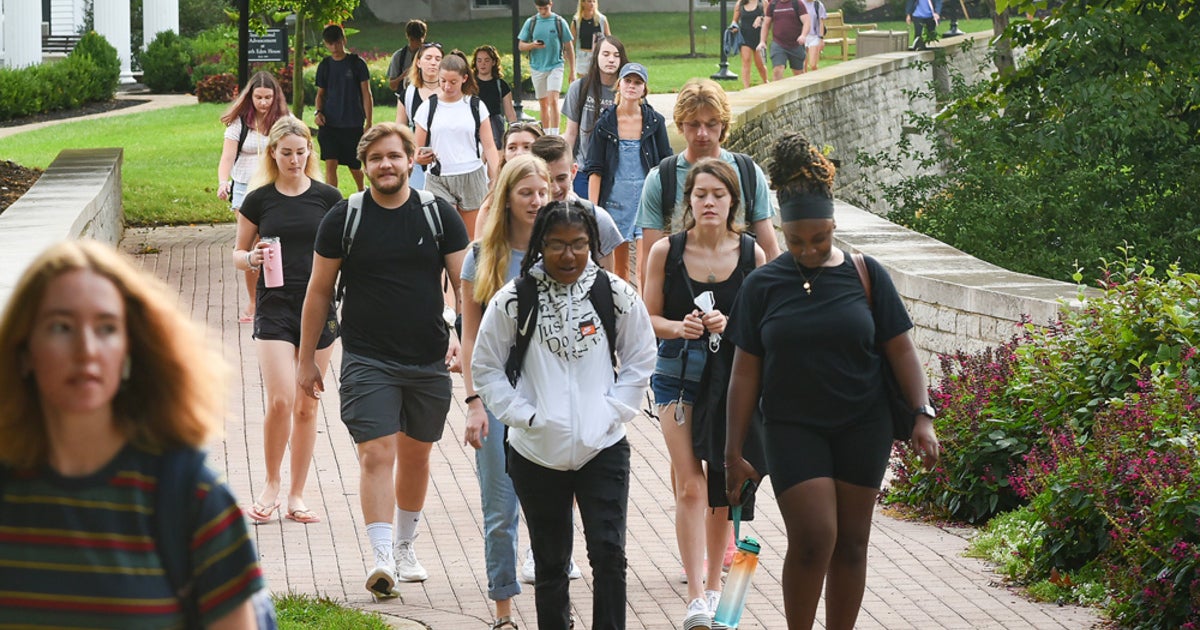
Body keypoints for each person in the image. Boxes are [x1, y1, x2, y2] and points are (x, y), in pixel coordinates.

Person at [723, 133, 941, 630]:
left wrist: (922, 415)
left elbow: (901, 349)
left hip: (863, 423)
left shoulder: (867, 274)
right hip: (791, 426)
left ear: (834, 227)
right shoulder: (762, 285)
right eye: (796, 241)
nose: (808, 249)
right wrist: (733, 453)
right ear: (782, 229)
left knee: (852, 543)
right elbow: (744, 372)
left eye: (819, 239)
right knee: (815, 536)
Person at [0, 239, 267, 627]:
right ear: (24, 351)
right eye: (61, 327)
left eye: (106, 328)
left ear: (129, 350)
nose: (86, 350)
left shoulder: (190, 497)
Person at [298, 123, 469, 597]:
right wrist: (307, 359)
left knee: (416, 455)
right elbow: (318, 291)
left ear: (411, 160)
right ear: (365, 166)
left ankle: (405, 546)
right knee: (376, 452)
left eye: (394, 156)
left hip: (428, 357)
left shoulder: (438, 214)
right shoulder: (344, 217)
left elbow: (465, 286)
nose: (386, 165)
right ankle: (381, 559)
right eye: (375, 158)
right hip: (366, 357)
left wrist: (462, 339)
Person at [471, 200, 656, 630]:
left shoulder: (614, 293)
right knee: (550, 563)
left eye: (579, 244)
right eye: (557, 245)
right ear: (540, 244)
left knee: (609, 554)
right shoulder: (515, 298)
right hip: (536, 452)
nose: (569, 255)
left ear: (592, 244)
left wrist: (613, 411)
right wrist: (524, 416)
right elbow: (486, 366)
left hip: (603, 447)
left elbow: (641, 355)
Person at [642, 158, 766, 629]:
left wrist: (729, 324)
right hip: (677, 375)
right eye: (700, 195)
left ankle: (716, 589)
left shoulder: (752, 254)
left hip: (732, 380)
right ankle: (695, 596)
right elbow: (647, 317)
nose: (709, 202)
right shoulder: (666, 252)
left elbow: (765, 327)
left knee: (721, 487)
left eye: (718, 194)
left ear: (733, 201)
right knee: (690, 485)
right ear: (688, 201)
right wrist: (680, 326)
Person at [233, 117, 342, 525]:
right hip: (275, 304)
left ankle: (297, 494)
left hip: (319, 307)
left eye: (300, 152)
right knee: (281, 400)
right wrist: (252, 258)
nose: (294, 160)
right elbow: (237, 253)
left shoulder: (329, 198)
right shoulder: (259, 199)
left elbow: (345, 251)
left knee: (307, 405)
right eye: (286, 153)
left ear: (309, 151)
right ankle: (271, 483)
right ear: (273, 154)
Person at [459, 154, 551, 629]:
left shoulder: (560, 250)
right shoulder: (481, 257)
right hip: (496, 395)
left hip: (549, 395)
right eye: (526, 193)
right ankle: (503, 612)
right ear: (507, 198)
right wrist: (473, 401)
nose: (536, 201)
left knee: (550, 506)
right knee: (500, 507)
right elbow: (470, 339)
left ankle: (554, 607)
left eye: (543, 193)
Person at [635, 78, 781, 289]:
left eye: (711, 124)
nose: (702, 133)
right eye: (694, 124)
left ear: (723, 124)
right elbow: (649, 260)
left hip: (740, 294)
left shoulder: (748, 173)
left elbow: (769, 250)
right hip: (680, 297)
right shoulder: (661, 179)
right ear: (680, 124)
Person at [584, 62, 672, 282]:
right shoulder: (604, 124)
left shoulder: (655, 122)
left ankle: (644, 304)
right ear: (619, 85)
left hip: (647, 200)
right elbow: (595, 169)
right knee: (619, 269)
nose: (632, 86)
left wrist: (668, 202)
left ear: (645, 89)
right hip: (614, 201)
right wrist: (593, 211)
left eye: (638, 82)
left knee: (645, 267)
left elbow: (666, 164)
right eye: (628, 81)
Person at [216, 70, 290, 324]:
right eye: (258, 97)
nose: (263, 102)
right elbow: (227, 157)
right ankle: (253, 301)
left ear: (275, 97)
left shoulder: (283, 120)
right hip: (244, 188)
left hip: (273, 187)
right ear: (250, 97)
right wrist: (223, 182)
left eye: (268, 97)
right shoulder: (240, 123)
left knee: (271, 242)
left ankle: (277, 298)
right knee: (251, 245)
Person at [413, 51, 500, 241]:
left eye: (453, 82)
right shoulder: (428, 107)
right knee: (445, 237)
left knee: (474, 239)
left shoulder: (476, 105)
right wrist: (419, 158)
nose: (447, 86)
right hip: (438, 177)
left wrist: (498, 177)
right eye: (443, 81)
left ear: (464, 79)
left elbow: (489, 146)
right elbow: (415, 149)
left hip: (472, 175)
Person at [563, 35, 627, 199]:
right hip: (584, 170)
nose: (611, 60)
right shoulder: (579, 88)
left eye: (616, 55)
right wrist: (565, 168)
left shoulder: (628, 90)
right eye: (606, 54)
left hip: (618, 173)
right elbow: (571, 132)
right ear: (596, 56)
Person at [315, 23, 373, 191]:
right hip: (329, 124)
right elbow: (320, 94)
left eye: (337, 43)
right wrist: (318, 112)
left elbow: (366, 94)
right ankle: (332, 200)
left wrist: (369, 122)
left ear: (344, 40)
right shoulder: (325, 65)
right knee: (330, 163)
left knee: (354, 165)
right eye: (330, 44)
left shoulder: (357, 64)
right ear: (325, 44)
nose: (334, 47)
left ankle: (361, 190)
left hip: (352, 123)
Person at [519, 0, 575, 135]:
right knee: (543, 103)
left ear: (551, 4)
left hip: (556, 65)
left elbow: (569, 47)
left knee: (553, 101)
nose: (543, 11)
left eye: (545, 8)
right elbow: (521, 46)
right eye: (540, 9)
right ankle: (545, 134)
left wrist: (572, 71)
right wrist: (532, 45)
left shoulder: (559, 22)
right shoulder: (531, 22)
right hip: (537, 67)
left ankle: (554, 135)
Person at [396, 41, 444, 191]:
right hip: (416, 160)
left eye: (438, 59)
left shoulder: (450, 93)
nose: (433, 63)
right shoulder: (408, 95)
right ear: (418, 62)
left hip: (446, 159)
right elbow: (400, 130)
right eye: (428, 58)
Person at [472, 45, 519, 151]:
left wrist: (515, 131)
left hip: (495, 126)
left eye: (487, 60)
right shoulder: (469, 84)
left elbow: (510, 112)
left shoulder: (501, 85)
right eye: (479, 60)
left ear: (493, 62)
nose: (482, 64)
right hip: (473, 124)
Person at [758, 0, 812, 80]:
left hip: (796, 44)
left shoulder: (797, 3)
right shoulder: (773, 4)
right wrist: (762, 41)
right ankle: (777, 88)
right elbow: (766, 24)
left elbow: (807, 22)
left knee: (798, 73)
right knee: (778, 69)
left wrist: (803, 35)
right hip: (778, 43)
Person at [731, 0, 770, 88]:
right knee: (746, 61)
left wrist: (761, 18)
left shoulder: (763, 2)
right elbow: (734, 21)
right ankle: (746, 87)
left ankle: (765, 81)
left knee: (760, 64)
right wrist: (733, 27)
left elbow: (769, 19)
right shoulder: (740, 3)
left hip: (759, 38)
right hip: (744, 37)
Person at [570, 0, 612, 79]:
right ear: (583, 3)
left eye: (594, 1)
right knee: (584, 82)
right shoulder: (577, 21)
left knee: (598, 80)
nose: (592, 4)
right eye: (589, 1)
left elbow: (609, 38)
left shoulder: (602, 19)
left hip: (598, 54)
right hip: (583, 56)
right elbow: (571, 42)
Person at [387, 19, 428, 93]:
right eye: (412, 40)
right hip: (404, 96)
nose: (416, 43)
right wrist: (403, 75)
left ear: (424, 36)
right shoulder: (399, 56)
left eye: (419, 40)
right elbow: (392, 86)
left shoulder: (431, 56)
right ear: (407, 37)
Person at [803, 0, 828, 72]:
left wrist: (821, 39)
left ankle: (818, 77)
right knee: (802, 66)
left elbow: (821, 23)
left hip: (814, 37)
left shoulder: (818, 5)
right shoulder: (799, 3)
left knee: (813, 65)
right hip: (802, 36)